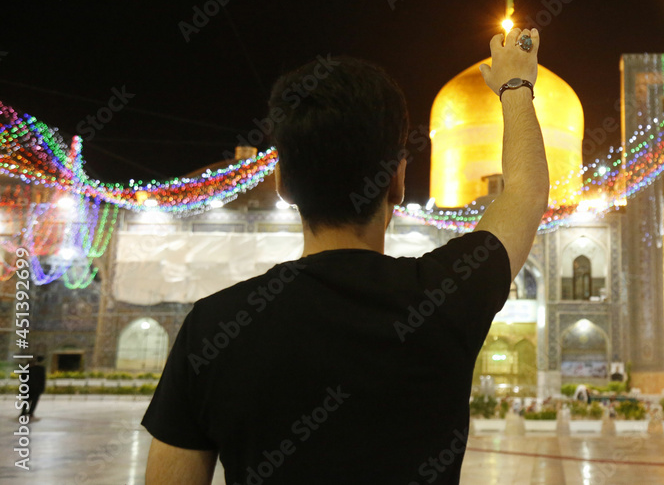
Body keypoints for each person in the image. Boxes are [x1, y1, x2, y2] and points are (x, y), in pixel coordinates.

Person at [141, 27, 549, 484]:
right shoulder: (445, 298)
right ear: (396, 180)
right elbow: (527, 194)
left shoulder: (212, 327)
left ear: (283, 184)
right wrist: (516, 85)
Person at [21, 355, 46, 421]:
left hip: (28, 388)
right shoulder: (41, 368)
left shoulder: (27, 369)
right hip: (36, 388)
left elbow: (22, 378)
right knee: (33, 401)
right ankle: (30, 413)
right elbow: (42, 379)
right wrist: (42, 388)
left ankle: (24, 413)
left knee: (26, 400)